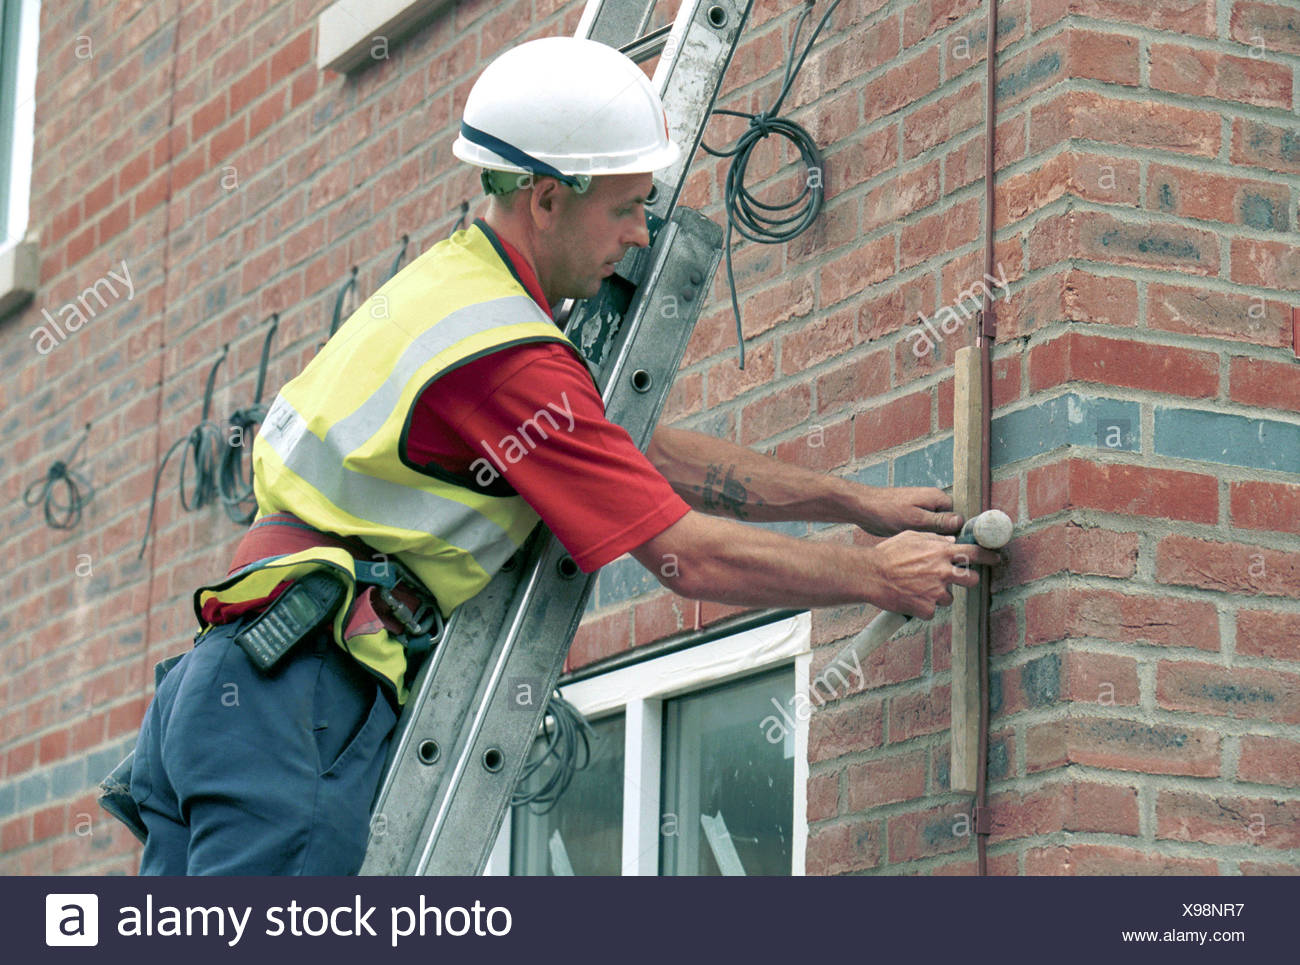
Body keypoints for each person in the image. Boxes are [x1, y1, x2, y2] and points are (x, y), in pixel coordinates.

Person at [127, 36, 1000, 875]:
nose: (638, 237)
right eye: (624, 207)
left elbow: (636, 460)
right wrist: (873, 577)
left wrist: (852, 502)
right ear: (546, 198)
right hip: (297, 700)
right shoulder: (508, 356)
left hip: (230, 686)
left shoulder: (459, 291)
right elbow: (684, 556)